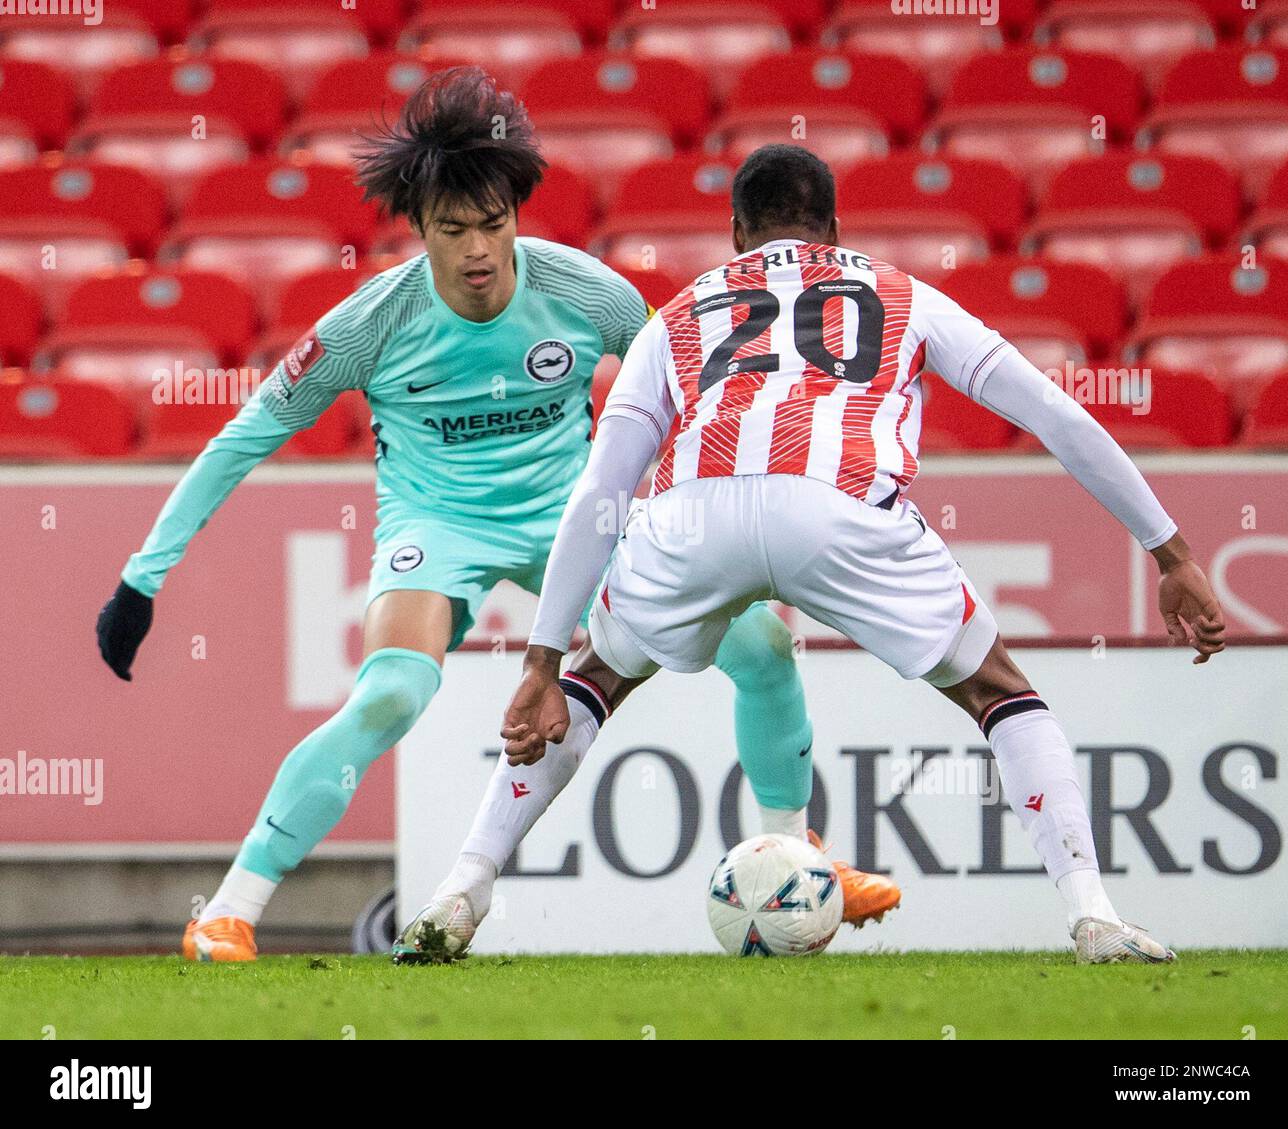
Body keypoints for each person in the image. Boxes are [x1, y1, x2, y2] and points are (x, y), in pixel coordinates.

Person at [94, 73, 893, 962]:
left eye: (494, 223)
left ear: (516, 213)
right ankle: (228, 910)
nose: (479, 249)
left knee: (767, 650)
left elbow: (702, 398)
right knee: (394, 691)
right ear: (418, 229)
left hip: (572, 519)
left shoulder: (588, 293)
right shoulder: (371, 322)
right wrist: (142, 576)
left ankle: (798, 854)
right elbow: (243, 440)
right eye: (453, 229)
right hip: (435, 522)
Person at [487, 143, 1227, 964]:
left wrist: (542, 657)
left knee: (590, 683)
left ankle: (464, 887)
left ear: (737, 232)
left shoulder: (681, 311)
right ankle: (1093, 916)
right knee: (1002, 694)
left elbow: (602, 491)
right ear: (835, 228)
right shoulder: (902, 292)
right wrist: (1170, 552)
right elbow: (1056, 414)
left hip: (691, 516)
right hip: (837, 504)